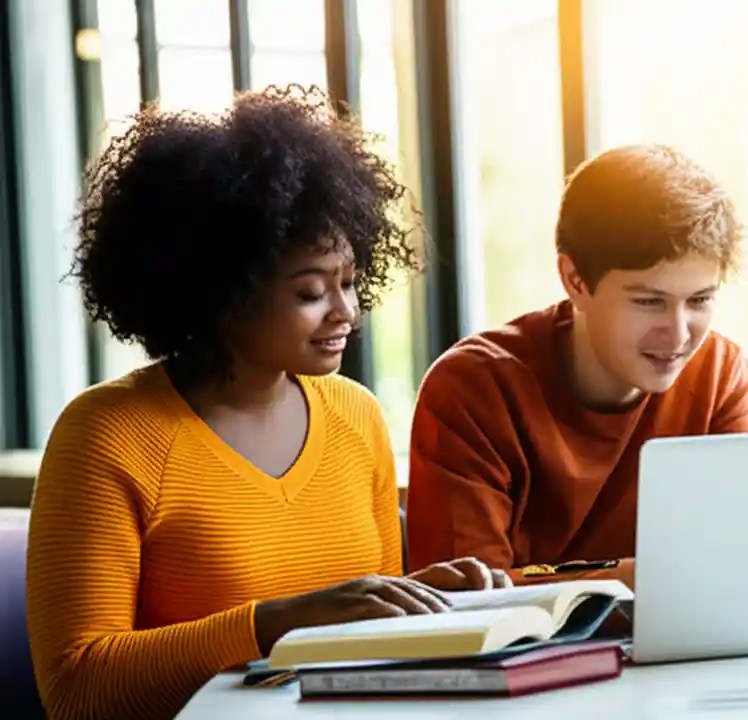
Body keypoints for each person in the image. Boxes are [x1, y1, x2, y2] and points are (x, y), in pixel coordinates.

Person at [25, 85, 505, 720]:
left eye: (350, 282)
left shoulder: (355, 415)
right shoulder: (107, 435)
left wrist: (414, 601)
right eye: (310, 292)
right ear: (223, 292)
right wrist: (275, 623)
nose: (345, 313)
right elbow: (76, 690)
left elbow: (363, 647)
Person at [406, 144, 748, 586]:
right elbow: (468, 590)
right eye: (649, 302)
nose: (677, 334)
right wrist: (622, 577)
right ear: (575, 281)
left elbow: (746, 558)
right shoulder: (473, 387)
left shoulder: (720, 373)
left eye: (699, 301)